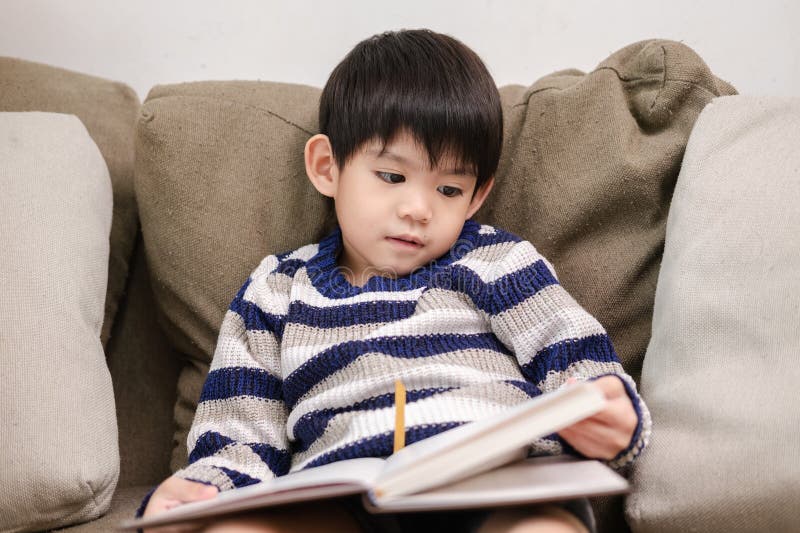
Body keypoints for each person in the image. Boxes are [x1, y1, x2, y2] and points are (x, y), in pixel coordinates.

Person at [139, 29, 651, 533]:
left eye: (449, 189)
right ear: (327, 167)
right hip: (345, 504)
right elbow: (240, 428)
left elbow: (576, 358)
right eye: (391, 177)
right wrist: (204, 488)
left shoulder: (497, 262)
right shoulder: (276, 290)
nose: (417, 210)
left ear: (476, 197)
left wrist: (604, 407)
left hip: (495, 487)